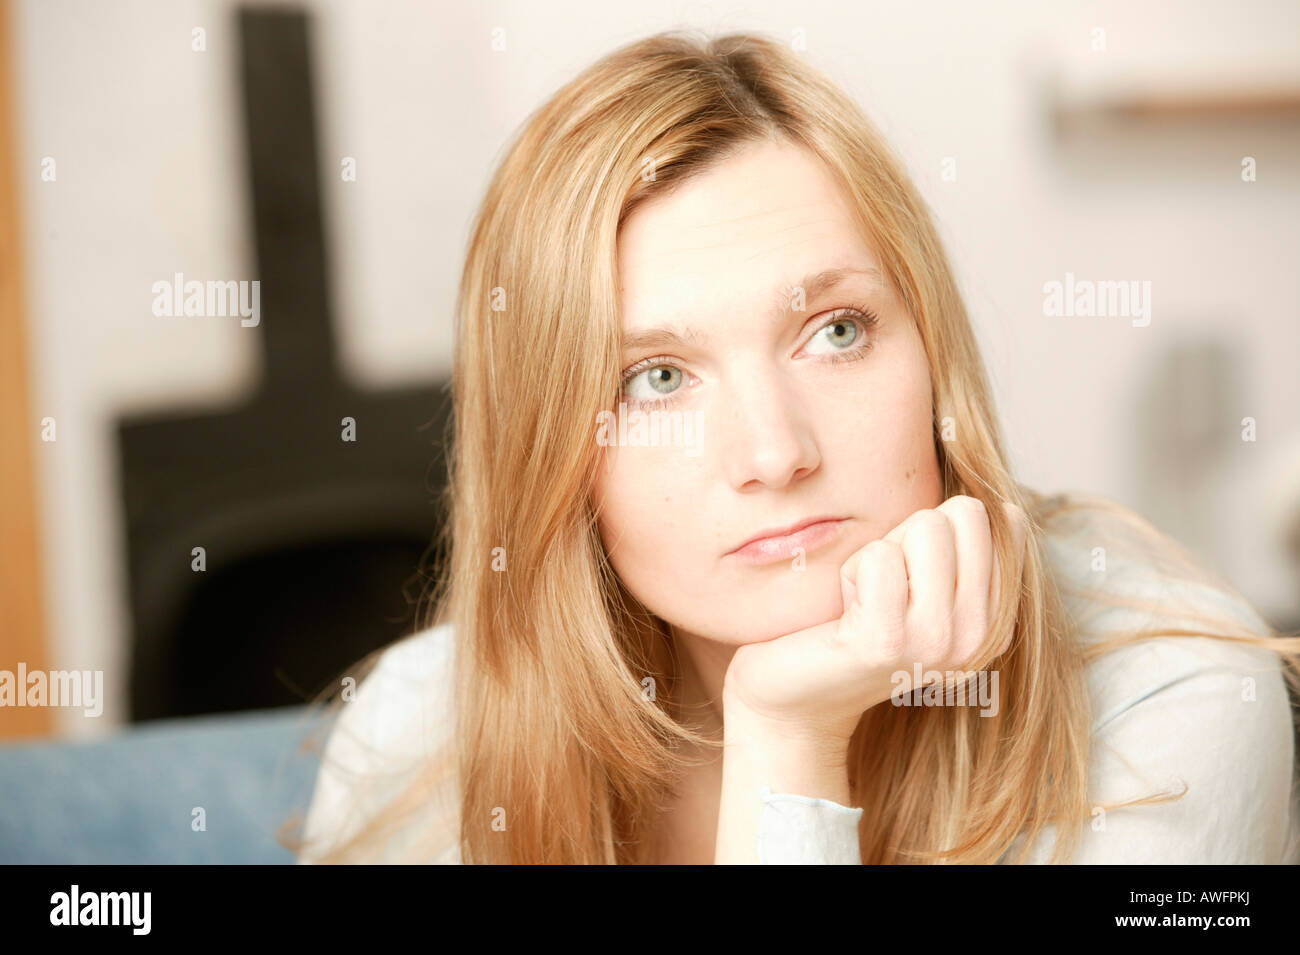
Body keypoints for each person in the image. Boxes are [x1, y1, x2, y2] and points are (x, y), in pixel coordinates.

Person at [293, 30, 1300, 865]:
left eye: (835, 331)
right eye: (657, 378)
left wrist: (787, 742)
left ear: (934, 354)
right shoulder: (418, 738)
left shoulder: (1171, 700)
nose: (774, 453)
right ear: (549, 450)